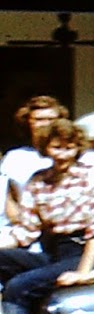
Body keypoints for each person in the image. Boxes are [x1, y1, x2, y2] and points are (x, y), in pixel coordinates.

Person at [0, 119, 94, 314]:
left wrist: (83, 272)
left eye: (69, 148)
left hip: (81, 252)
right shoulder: (38, 181)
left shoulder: (88, 176)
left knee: (18, 286)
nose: (62, 154)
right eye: (56, 148)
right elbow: (25, 232)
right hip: (53, 253)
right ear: (46, 148)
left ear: (78, 148)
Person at [1, 96, 65, 226]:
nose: (46, 123)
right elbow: (8, 198)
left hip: (63, 229)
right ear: (28, 122)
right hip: (23, 228)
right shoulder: (15, 157)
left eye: (51, 119)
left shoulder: (68, 155)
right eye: (39, 119)